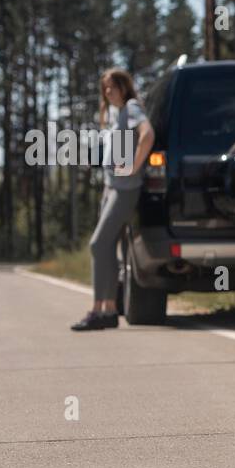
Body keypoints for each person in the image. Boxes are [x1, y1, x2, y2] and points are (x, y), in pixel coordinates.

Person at [71, 68, 154, 331]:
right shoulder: (116, 115)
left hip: (125, 189)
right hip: (110, 188)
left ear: (123, 87)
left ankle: (100, 309)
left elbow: (147, 134)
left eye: (112, 87)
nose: (107, 92)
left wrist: (133, 166)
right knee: (106, 249)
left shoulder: (131, 108)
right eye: (105, 88)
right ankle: (106, 310)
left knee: (98, 244)